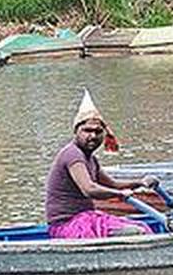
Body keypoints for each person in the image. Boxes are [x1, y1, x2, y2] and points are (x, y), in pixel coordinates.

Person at [46, 90, 160, 239]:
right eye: (87, 131)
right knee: (137, 232)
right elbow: (89, 189)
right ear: (76, 131)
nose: (93, 136)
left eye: (98, 132)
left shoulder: (91, 159)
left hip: (85, 219)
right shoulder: (73, 154)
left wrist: (141, 183)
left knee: (142, 227)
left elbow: (113, 184)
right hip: (67, 226)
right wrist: (119, 195)